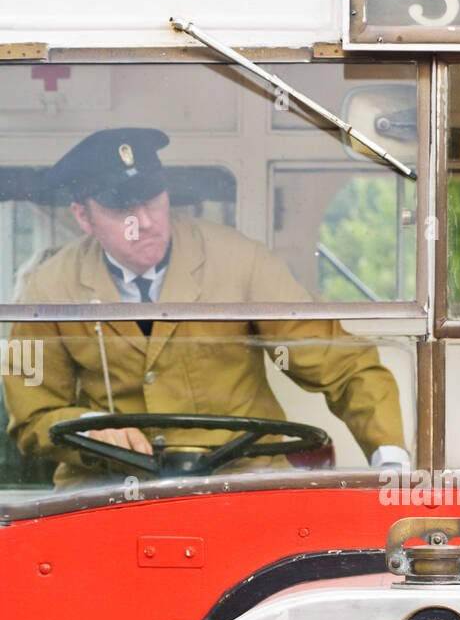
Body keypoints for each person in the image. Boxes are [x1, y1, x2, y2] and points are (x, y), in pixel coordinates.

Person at [4, 128, 409, 483]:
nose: (144, 221)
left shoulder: (242, 262)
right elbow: (31, 416)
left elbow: (343, 365)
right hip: (106, 488)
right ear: (84, 217)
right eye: (121, 208)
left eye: (152, 199)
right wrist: (89, 431)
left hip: (241, 481)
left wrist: (390, 458)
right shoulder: (48, 288)